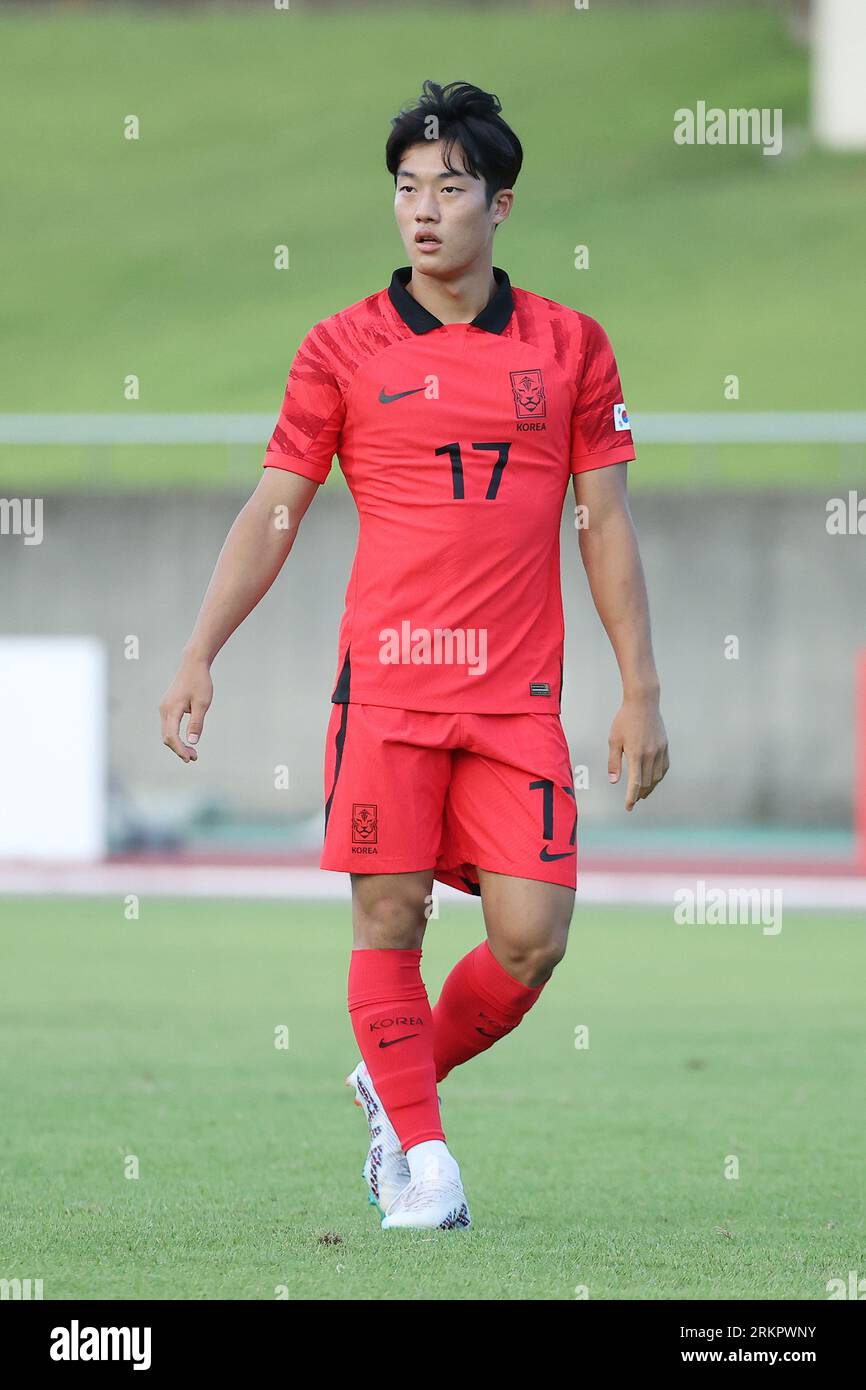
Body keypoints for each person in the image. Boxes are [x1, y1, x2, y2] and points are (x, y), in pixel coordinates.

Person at [160, 79, 669, 1233]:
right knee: (387, 916)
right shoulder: (340, 346)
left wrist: (639, 684)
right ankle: (424, 1164)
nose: (423, 209)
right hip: (385, 691)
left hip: (515, 700)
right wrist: (199, 648)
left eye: (448, 187)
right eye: (405, 188)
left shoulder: (570, 346)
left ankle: (393, 1078)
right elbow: (275, 509)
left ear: (501, 202)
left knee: (532, 940)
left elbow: (606, 525)